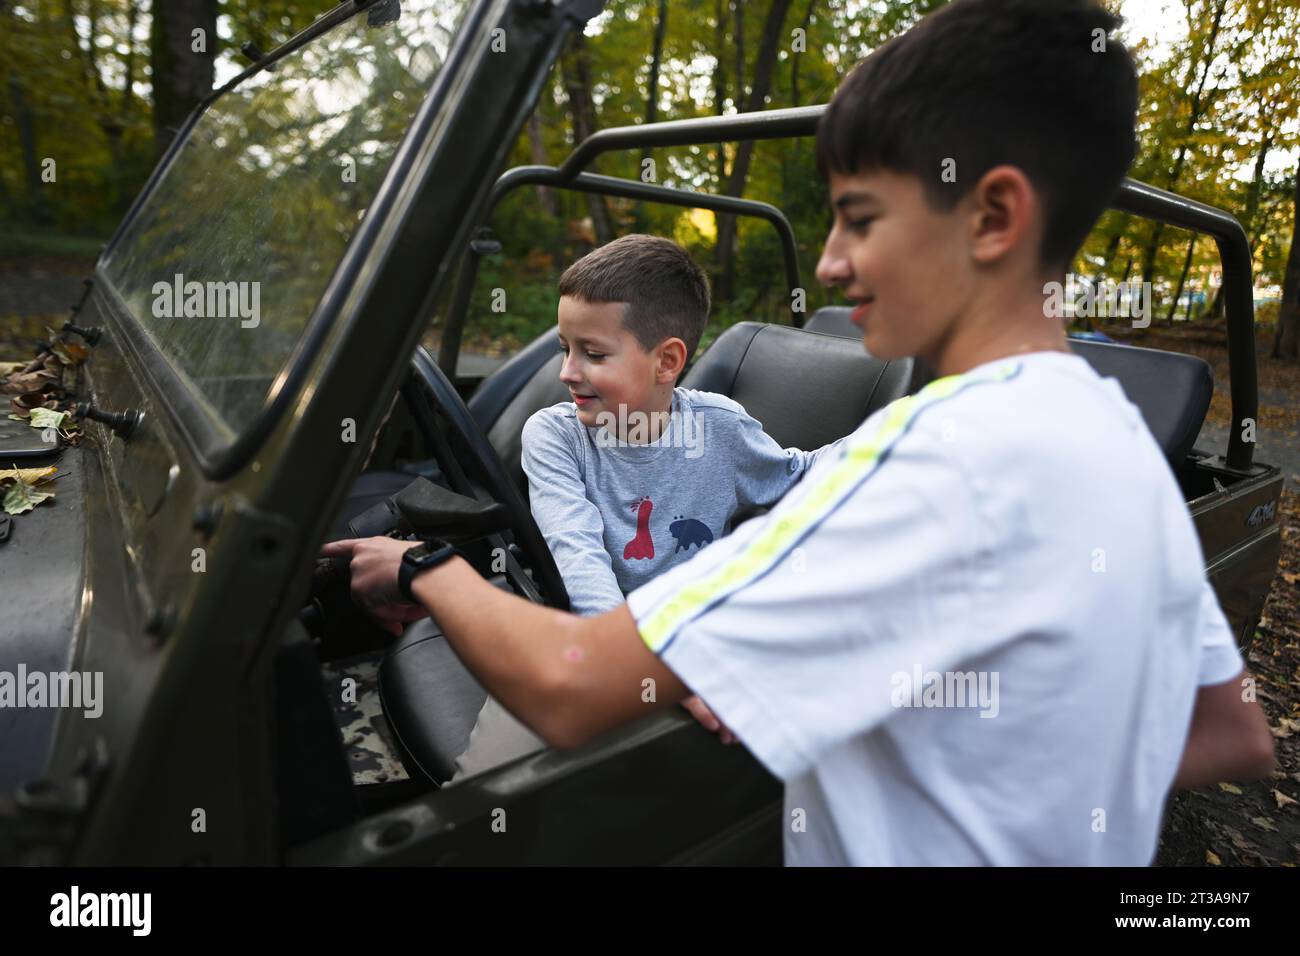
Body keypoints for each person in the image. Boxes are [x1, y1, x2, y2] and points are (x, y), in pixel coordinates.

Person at [324, 0, 1275, 865]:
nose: (826, 264)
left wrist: (419, 569)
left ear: (991, 216)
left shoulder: (918, 468)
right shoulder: (1108, 431)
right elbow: (1231, 732)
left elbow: (572, 686)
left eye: (859, 219)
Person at [450, 234, 845, 780]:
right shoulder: (557, 437)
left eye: (592, 354)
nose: (566, 371)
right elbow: (577, 557)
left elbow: (797, 474)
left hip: (681, 631)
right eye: (564, 348)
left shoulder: (719, 428)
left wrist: (908, 427)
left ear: (667, 362)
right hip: (577, 633)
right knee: (489, 788)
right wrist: (638, 662)